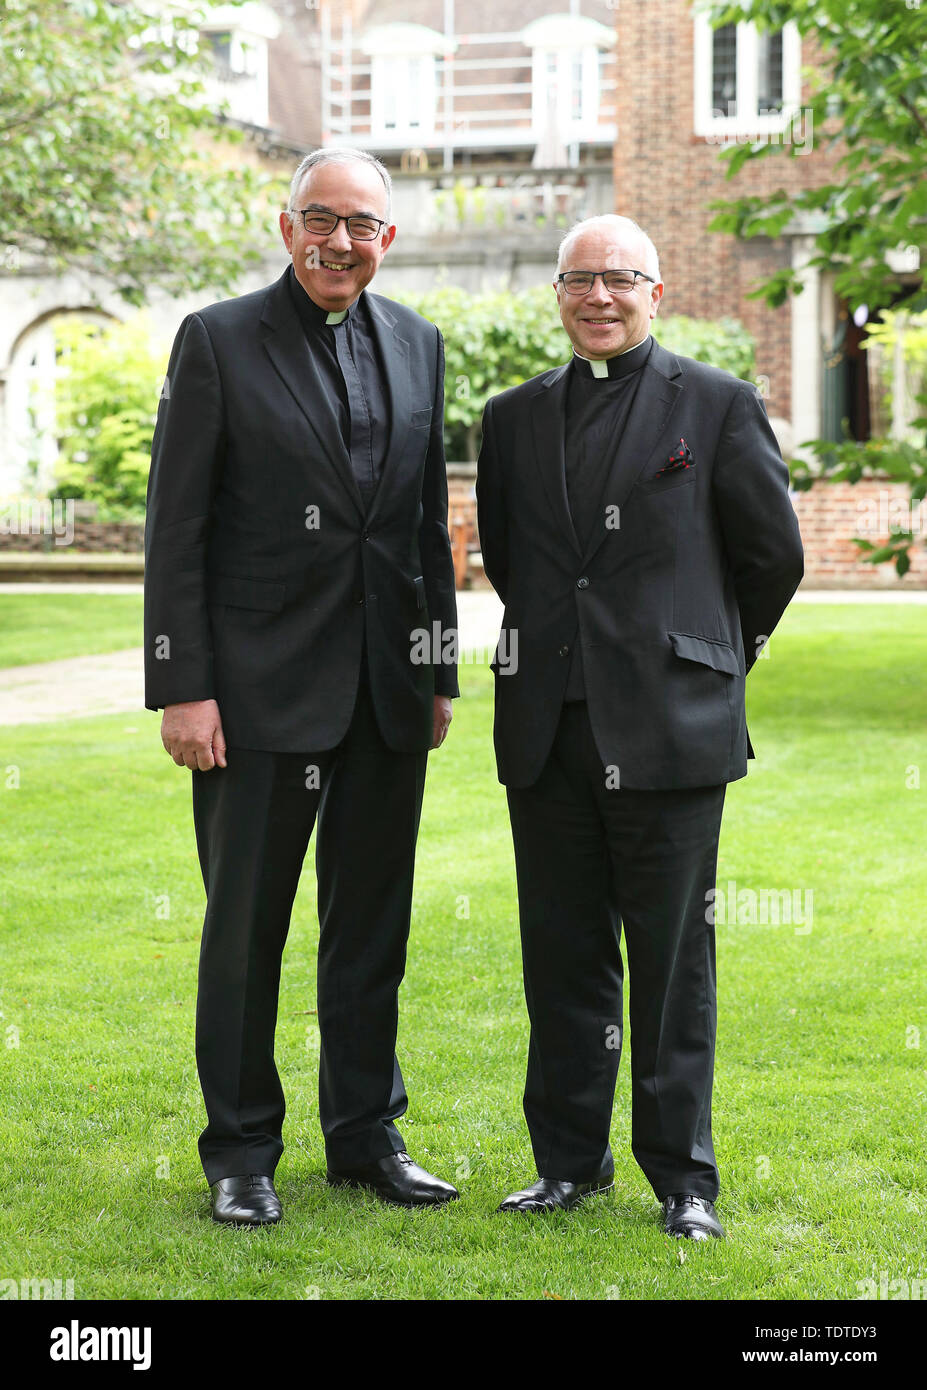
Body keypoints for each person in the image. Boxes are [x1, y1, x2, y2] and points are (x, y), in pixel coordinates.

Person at [144, 148, 460, 1226]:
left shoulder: (420, 346)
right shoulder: (219, 341)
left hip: (384, 694)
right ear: (286, 229)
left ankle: (365, 1137)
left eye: (361, 223)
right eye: (319, 219)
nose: (339, 240)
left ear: (387, 238)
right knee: (247, 933)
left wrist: (438, 670)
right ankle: (240, 1151)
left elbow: (424, 531)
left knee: (370, 928)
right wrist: (184, 690)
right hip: (255, 696)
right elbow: (175, 529)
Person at [476, 214, 803, 1238]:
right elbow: (513, 559)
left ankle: (686, 1180)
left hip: (670, 726)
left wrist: (712, 653)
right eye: (580, 282)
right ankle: (569, 1165)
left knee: (672, 964)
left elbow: (773, 557)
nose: (599, 298)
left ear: (655, 291)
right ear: (560, 296)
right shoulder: (512, 418)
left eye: (620, 279)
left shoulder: (714, 405)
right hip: (548, 731)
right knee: (562, 955)